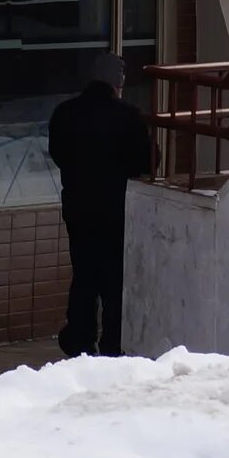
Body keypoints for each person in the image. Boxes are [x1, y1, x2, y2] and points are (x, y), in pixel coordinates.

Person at [47, 51, 152, 357]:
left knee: (84, 273)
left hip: (78, 207)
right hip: (116, 209)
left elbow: (58, 153)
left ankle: (79, 338)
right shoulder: (129, 117)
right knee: (113, 279)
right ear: (117, 82)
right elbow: (144, 161)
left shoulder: (65, 113)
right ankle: (112, 343)